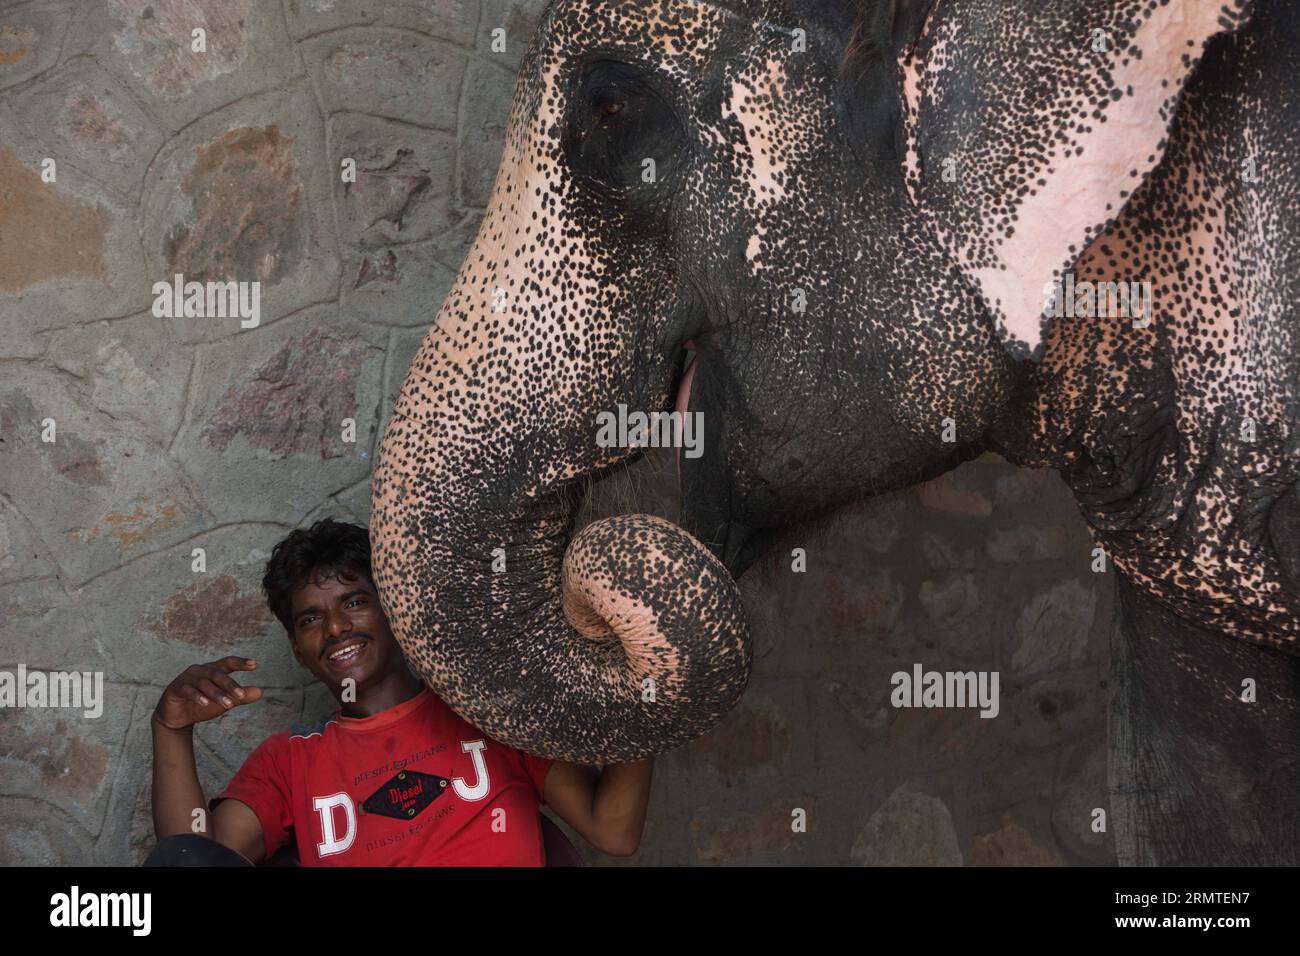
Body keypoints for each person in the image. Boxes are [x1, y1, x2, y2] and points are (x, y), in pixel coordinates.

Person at [146, 518, 652, 866]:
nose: (337, 628)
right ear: (298, 650)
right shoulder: (290, 763)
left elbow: (613, 830)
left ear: (395, 608)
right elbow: (191, 859)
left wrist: (659, 684)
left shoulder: (481, 706)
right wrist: (171, 729)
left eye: (356, 602)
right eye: (311, 619)